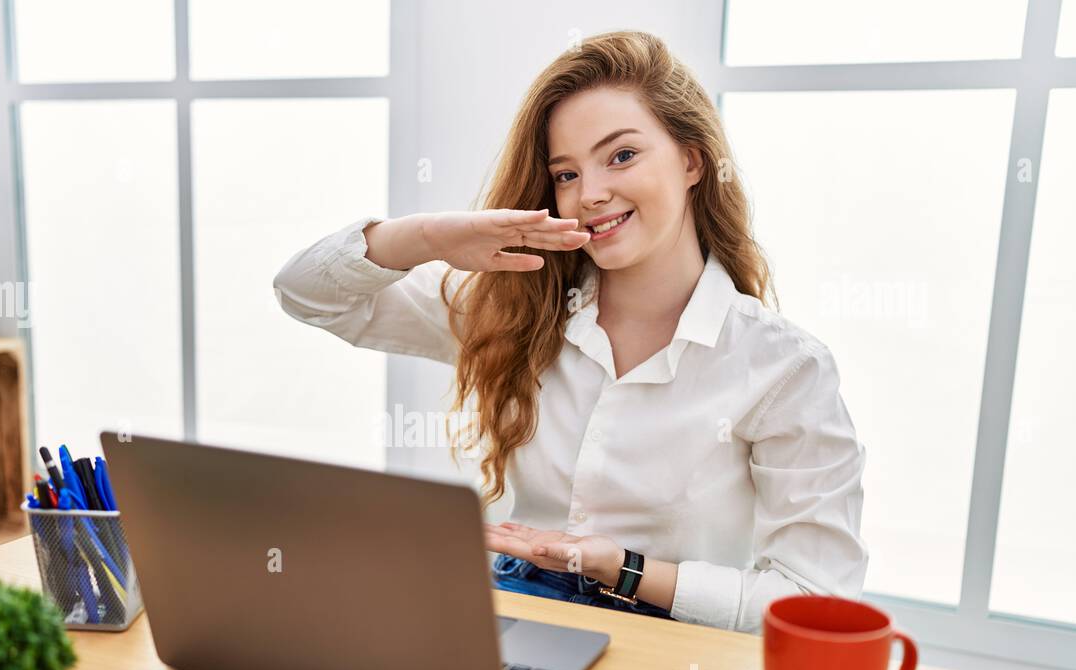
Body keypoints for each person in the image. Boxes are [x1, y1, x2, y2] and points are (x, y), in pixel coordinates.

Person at [272, 30, 867, 634]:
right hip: (511, 618)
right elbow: (306, 293)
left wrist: (624, 569)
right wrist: (427, 238)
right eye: (565, 174)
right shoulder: (516, 305)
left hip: (665, 654)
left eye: (622, 156)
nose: (590, 194)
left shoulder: (784, 368)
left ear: (691, 160)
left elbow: (816, 599)